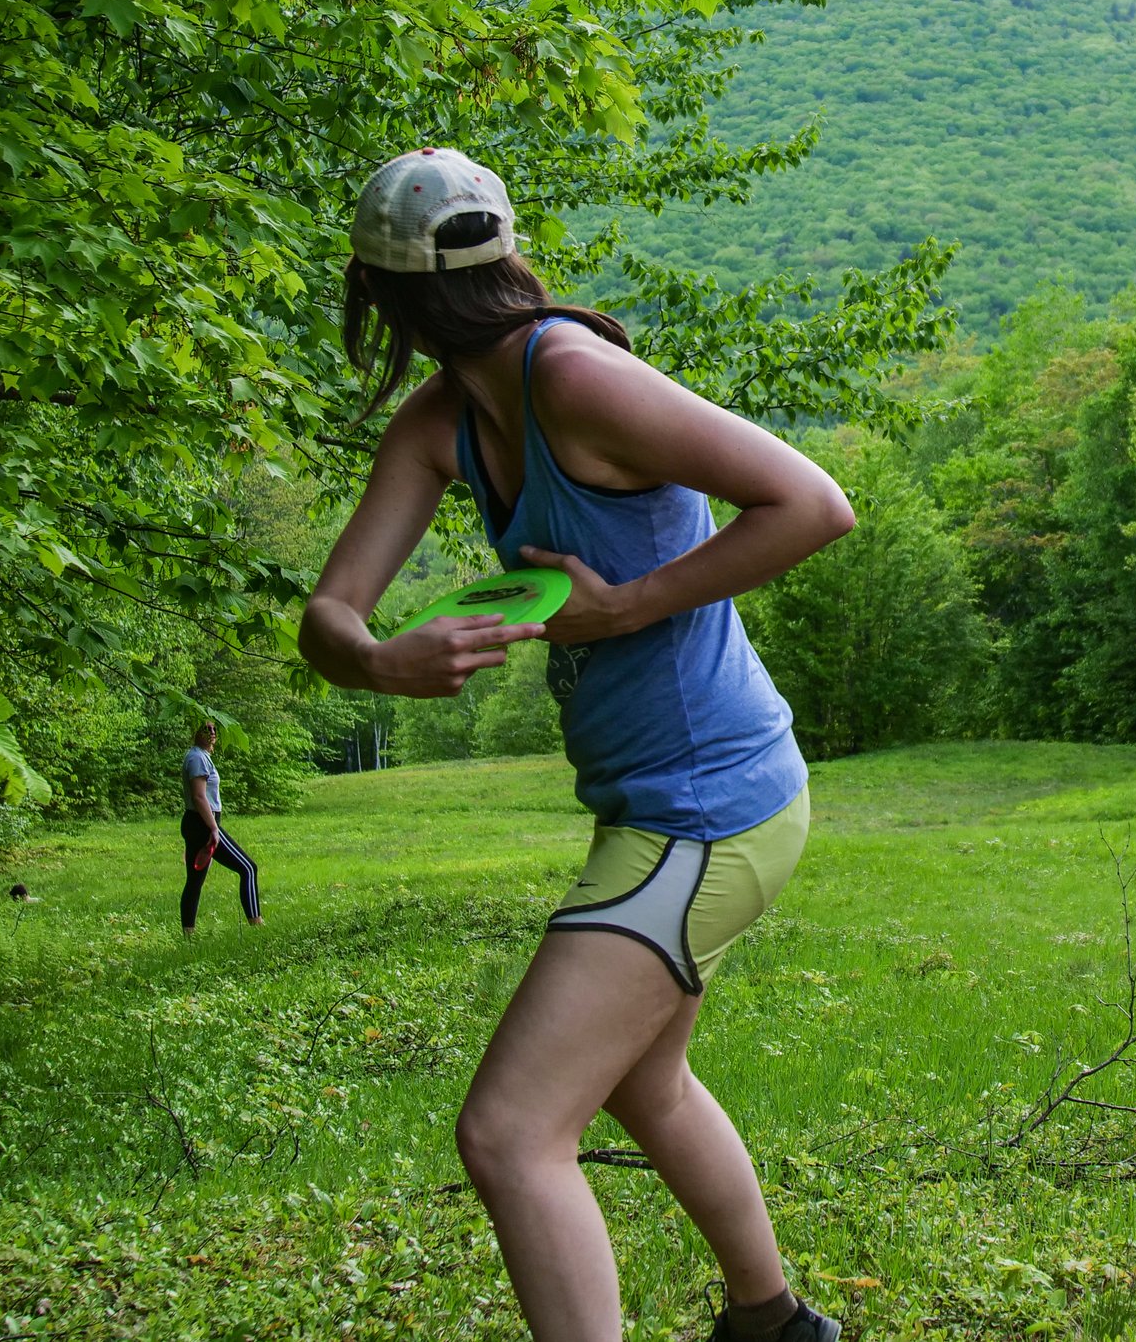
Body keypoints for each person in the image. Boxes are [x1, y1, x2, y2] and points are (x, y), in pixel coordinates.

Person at [298, 148, 854, 1342]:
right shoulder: (448, 416)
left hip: (711, 806)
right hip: (663, 803)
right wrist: (377, 658)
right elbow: (328, 616)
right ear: (501, 254)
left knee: (508, 1134)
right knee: (644, 1081)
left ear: (377, 295)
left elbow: (812, 502)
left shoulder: (575, 381)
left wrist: (627, 604)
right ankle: (775, 1326)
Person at [179, 720, 262, 934]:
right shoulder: (197, 757)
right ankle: (256, 924)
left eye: (214, 729)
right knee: (248, 868)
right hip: (204, 824)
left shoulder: (199, 756)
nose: (212, 732)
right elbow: (198, 796)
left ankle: (188, 933)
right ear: (195, 732)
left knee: (194, 882)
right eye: (206, 728)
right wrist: (214, 829)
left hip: (197, 824)